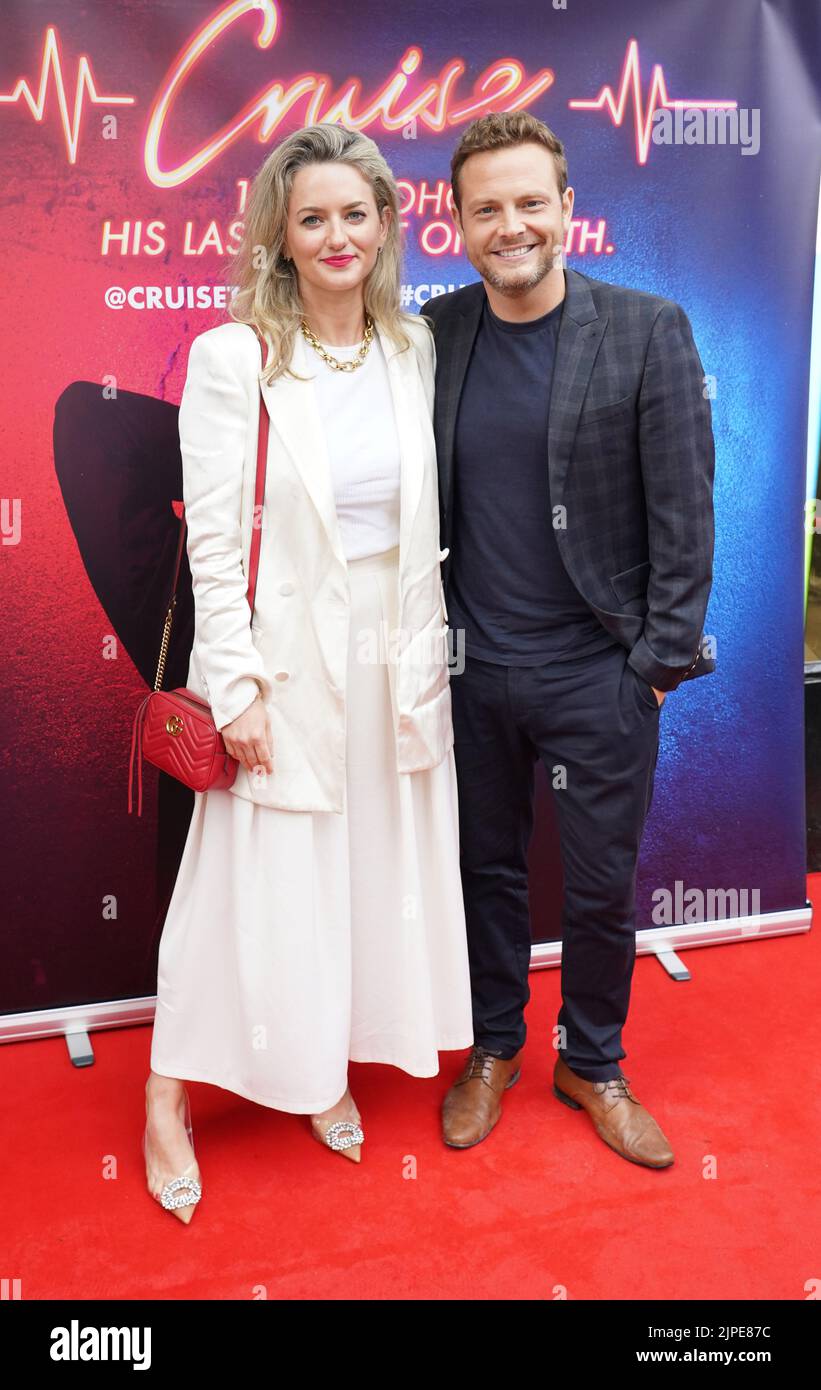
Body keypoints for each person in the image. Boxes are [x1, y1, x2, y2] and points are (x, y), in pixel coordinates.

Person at [143, 122, 473, 1221]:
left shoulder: (410, 346)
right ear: (281, 238)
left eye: (356, 212)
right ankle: (163, 1094)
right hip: (285, 660)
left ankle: (320, 1066)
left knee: (365, 866)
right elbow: (215, 544)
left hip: (392, 648)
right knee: (246, 880)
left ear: (385, 223)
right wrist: (231, 685)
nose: (338, 234)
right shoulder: (236, 357)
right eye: (312, 217)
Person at [420, 111, 715, 1167]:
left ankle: (590, 1058)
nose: (510, 225)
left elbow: (685, 516)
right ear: (454, 223)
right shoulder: (435, 335)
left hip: (599, 673)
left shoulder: (644, 329)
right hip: (470, 673)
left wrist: (651, 671)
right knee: (485, 870)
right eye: (486, 208)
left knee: (597, 885)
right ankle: (495, 1045)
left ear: (567, 211)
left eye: (528, 202)